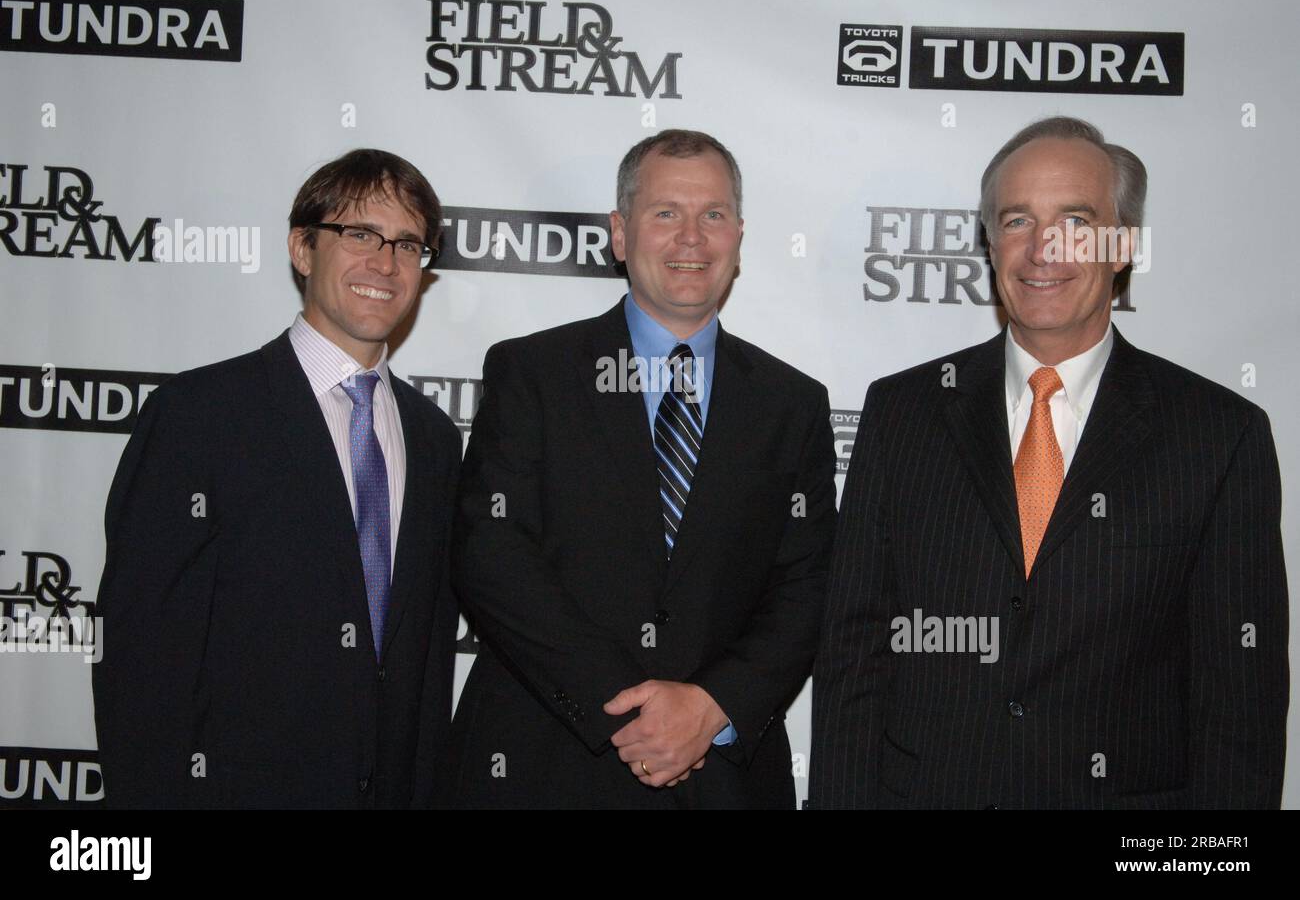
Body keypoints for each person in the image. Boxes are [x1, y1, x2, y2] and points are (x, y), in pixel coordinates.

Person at [811, 116, 1289, 809]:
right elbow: (853, 657)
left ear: (1122, 245)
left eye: (1075, 219)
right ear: (990, 242)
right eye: (1016, 220)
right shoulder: (903, 412)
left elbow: (1238, 701)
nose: (1042, 249)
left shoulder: (1219, 436)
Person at [441, 129, 836, 808]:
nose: (691, 237)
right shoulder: (533, 374)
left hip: (722, 777)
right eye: (665, 213)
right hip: (543, 764)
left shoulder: (792, 404)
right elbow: (492, 555)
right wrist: (632, 715)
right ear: (620, 234)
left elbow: (808, 585)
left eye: (712, 214)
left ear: (738, 236)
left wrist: (711, 707)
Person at [93, 148, 462, 808]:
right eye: (360, 234)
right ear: (302, 247)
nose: (386, 262)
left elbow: (425, 666)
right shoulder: (200, 416)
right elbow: (141, 657)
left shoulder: (434, 439)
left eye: (408, 244)